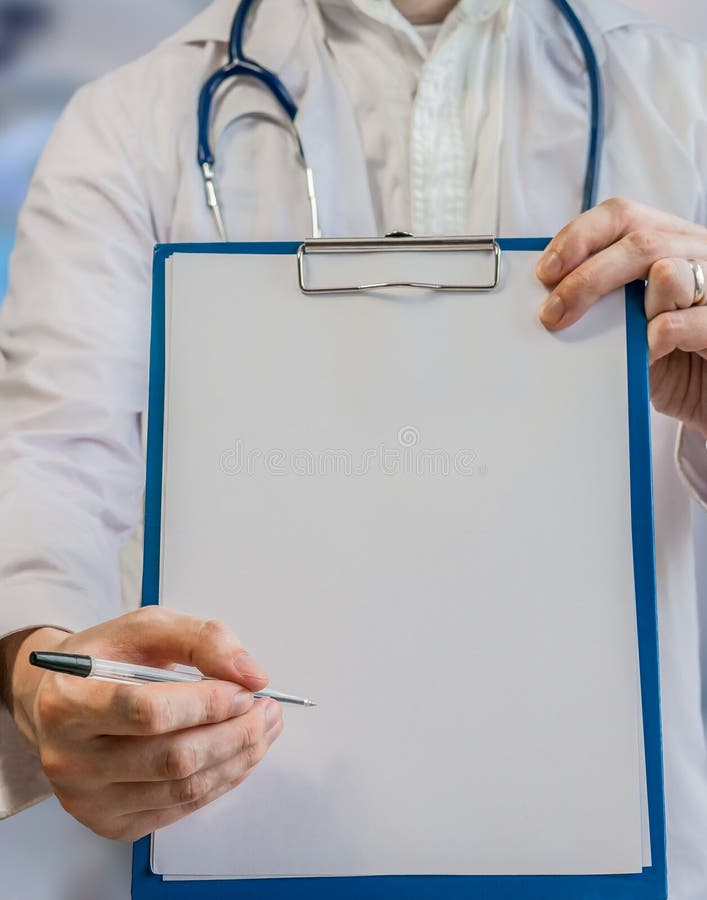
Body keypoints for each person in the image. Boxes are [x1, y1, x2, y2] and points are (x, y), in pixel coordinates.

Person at [0, 0, 706, 894]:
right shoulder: (133, 120)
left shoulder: (688, 104)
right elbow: (52, 455)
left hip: (624, 834)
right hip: (249, 821)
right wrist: (39, 676)